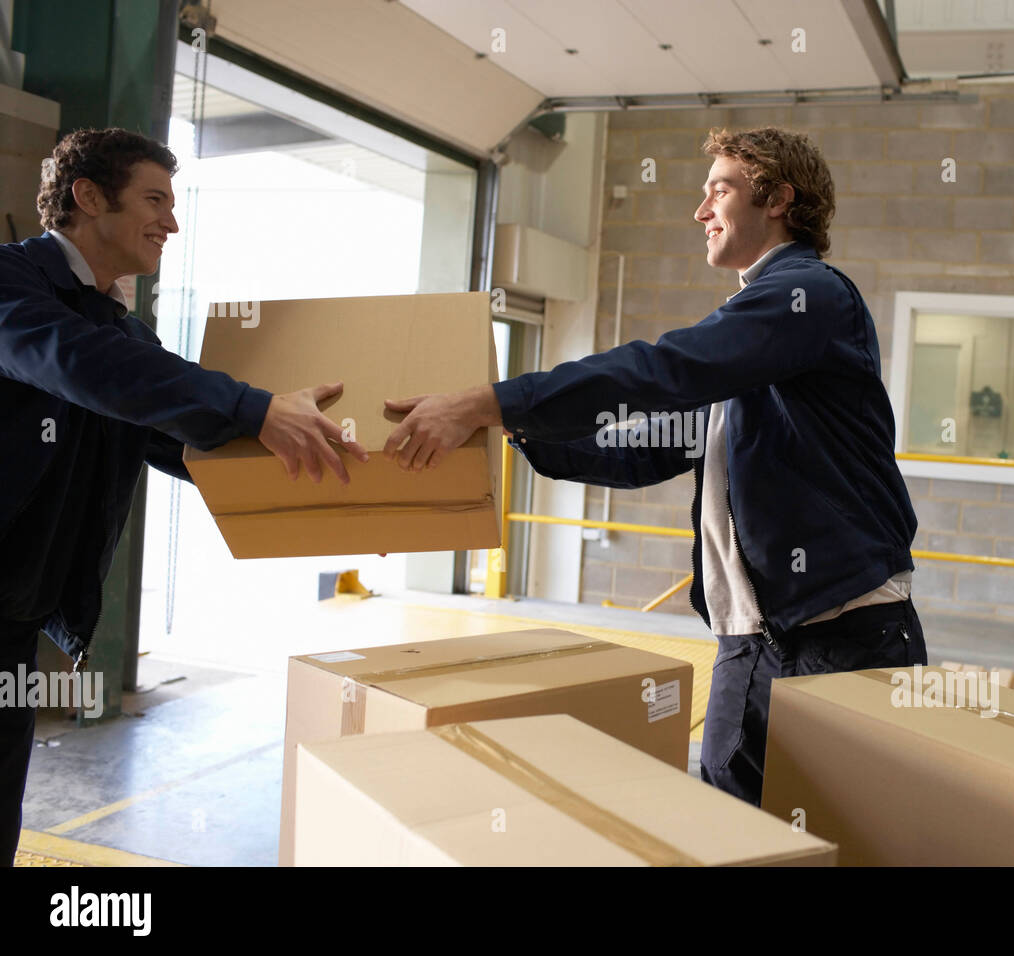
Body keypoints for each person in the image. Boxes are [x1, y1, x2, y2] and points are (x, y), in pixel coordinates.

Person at [381, 126, 926, 806]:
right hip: (751, 635)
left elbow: (665, 369)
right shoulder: (757, 332)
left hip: (841, 628)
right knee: (732, 819)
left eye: (718, 191)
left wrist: (487, 400)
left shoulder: (807, 298)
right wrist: (509, 424)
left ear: (780, 199)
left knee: (845, 830)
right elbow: (646, 445)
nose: (700, 212)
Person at [0, 127, 367, 864]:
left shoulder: (118, 328)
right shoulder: (16, 287)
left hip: (16, 609)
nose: (171, 221)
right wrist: (256, 407)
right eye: (155, 199)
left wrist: (354, 492)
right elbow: (83, 367)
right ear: (89, 197)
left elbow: (184, 440)